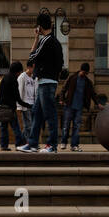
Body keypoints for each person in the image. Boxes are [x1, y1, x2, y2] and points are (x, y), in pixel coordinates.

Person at [24, 12, 64, 153]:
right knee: (38, 113)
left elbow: (32, 56)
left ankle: (51, 145)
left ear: (40, 26)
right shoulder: (56, 42)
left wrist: (36, 38)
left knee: (49, 114)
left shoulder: (46, 41)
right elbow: (60, 64)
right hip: (49, 81)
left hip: (45, 82)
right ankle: (33, 143)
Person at [58, 62, 98, 151]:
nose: (84, 74)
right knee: (66, 125)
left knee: (76, 127)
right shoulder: (72, 78)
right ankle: (64, 142)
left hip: (79, 107)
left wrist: (97, 103)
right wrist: (61, 99)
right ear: (80, 70)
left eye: (85, 73)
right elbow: (63, 89)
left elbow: (92, 94)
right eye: (83, 72)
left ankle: (74, 145)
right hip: (69, 105)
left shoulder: (87, 82)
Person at [0, 60, 26, 150]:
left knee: (3, 128)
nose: (20, 73)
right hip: (10, 108)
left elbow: (0, 93)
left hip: (1, 107)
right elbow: (17, 97)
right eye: (20, 71)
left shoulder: (4, 78)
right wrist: (28, 105)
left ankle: (4, 146)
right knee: (16, 127)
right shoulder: (14, 80)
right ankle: (19, 144)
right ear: (17, 71)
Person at [16, 60, 38, 145]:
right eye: (34, 67)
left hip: (33, 104)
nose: (35, 69)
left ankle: (21, 142)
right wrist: (19, 106)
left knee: (29, 126)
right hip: (25, 104)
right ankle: (30, 143)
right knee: (29, 125)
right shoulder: (22, 77)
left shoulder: (34, 77)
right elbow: (20, 91)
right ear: (29, 67)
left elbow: (35, 91)